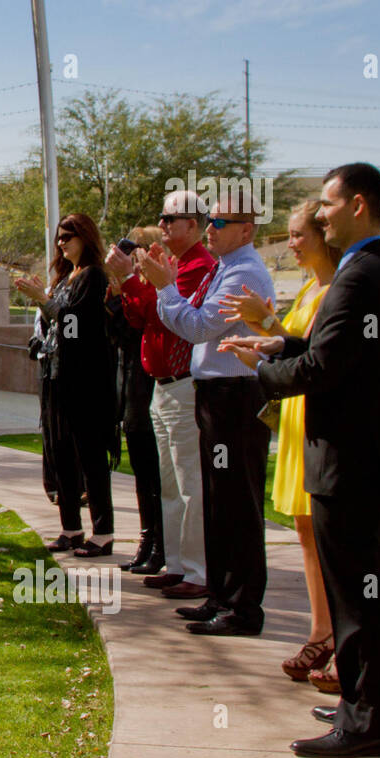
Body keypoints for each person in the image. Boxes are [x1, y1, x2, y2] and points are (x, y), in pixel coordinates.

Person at [223, 162, 380, 758]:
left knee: (359, 597)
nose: (319, 215)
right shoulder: (367, 270)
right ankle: (371, 705)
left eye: (326, 205)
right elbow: (328, 347)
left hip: (352, 460)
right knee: (365, 595)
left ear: (357, 205)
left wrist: (265, 371)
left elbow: (325, 370)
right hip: (360, 457)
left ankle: (363, 726)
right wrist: (277, 342)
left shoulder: (360, 276)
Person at [137, 188, 275, 636]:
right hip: (216, 395)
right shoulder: (226, 269)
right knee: (219, 502)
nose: (210, 229)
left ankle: (242, 607)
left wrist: (163, 288)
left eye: (218, 223)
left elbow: (196, 328)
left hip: (236, 396)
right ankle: (220, 596)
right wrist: (169, 292)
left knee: (237, 503)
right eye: (210, 221)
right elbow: (191, 315)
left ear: (246, 229)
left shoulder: (244, 274)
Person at [219, 200, 338, 686]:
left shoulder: (337, 290)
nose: (290, 244)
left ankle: (338, 644)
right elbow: (293, 343)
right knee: (307, 533)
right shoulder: (312, 287)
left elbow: (310, 354)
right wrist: (263, 339)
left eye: (297, 235)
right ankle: (321, 632)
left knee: (329, 540)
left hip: (316, 417)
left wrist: (263, 327)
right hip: (296, 418)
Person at [106, 191, 214, 586]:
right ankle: (177, 565)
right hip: (160, 382)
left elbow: (163, 315)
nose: (165, 225)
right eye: (163, 218)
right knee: (169, 484)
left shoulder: (197, 266)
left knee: (190, 485)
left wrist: (136, 278)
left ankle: (198, 572)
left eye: (172, 219)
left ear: (193, 225)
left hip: (184, 384)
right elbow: (138, 319)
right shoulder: (174, 264)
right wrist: (128, 281)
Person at [14, 213, 117, 557]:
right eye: (59, 236)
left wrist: (43, 300)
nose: (62, 241)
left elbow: (75, 323)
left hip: (85, 381)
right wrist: (42, 303)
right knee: (60, 453)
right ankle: (70, 528)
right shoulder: (63, 277)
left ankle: (103, 533)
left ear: (86, 237)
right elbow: (54, 322)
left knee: (90, 456)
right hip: (55, 376)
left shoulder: (93, 276)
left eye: (69, 235)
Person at [104, 226, 164, 574]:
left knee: (157, 475)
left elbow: (140, 328)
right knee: (142, 471)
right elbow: (117, 334)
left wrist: (129, 285)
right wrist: (116, 293)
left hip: (148, 385)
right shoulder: (126, 292)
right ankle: (147, 539)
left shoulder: (153, 289)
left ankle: (161, 543)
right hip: (129, 385)